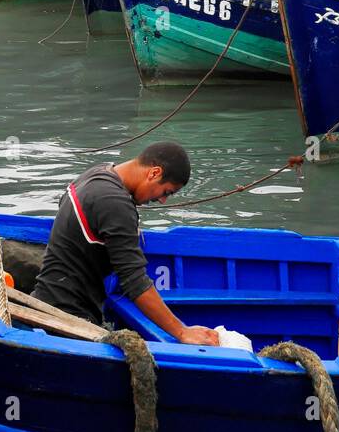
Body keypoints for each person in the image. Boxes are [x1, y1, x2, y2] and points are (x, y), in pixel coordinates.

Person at [32, 141, 219, 345]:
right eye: (166, 192)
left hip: (44, 301)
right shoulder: (115, 203)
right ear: (154, 173)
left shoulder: (96, 175)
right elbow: (134, 281)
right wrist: (182, 332)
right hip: (69, 319)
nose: (163, 201)